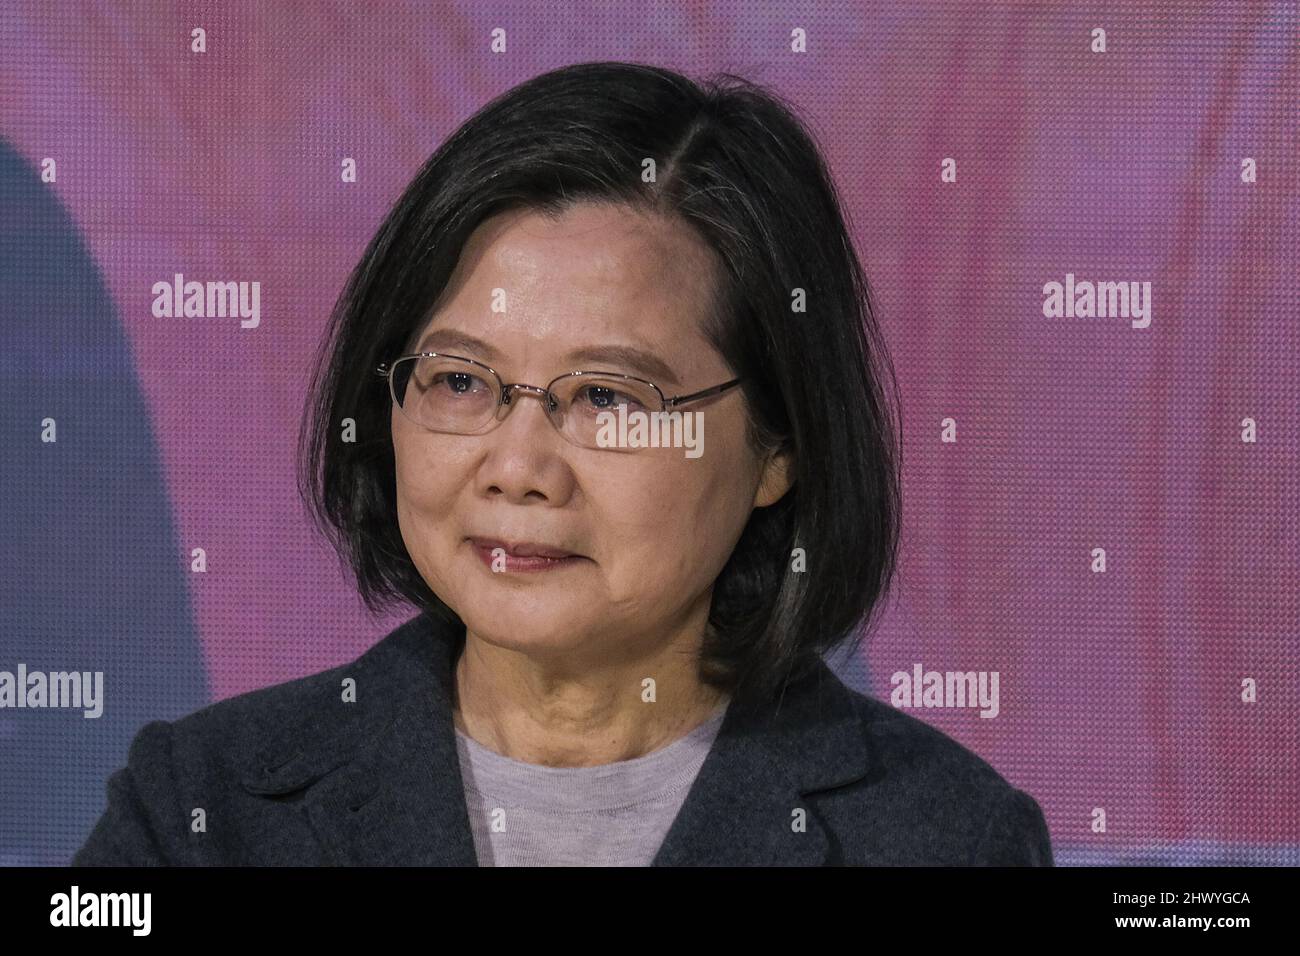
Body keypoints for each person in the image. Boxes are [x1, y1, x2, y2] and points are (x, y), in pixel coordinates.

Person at [73, 61, 1052, 866]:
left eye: (609, 398)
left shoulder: (946, 840)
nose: (518, 467)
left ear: (777, 447)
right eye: (460, 380)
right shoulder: (203, 812)